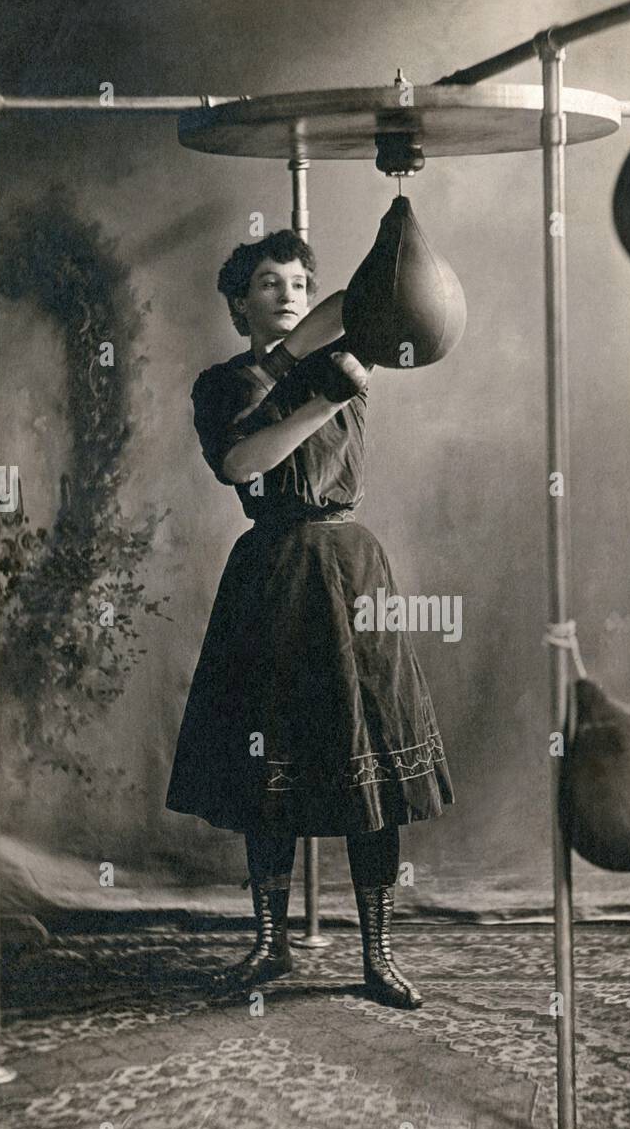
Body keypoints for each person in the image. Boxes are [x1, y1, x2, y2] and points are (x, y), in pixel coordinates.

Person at [166, 230, 454, 1009]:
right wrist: (322, 390)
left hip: (348, 570)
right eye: (266, 282)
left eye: (298, 279)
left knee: (369, 765)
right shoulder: (223, 385)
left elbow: (349, 306)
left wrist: (390, 251)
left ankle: (378, 955)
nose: (287, 292)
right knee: (271, 766)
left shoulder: (341, 359)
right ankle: (270, 944)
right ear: (237, 304)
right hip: (271, 572)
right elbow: (242, 464)